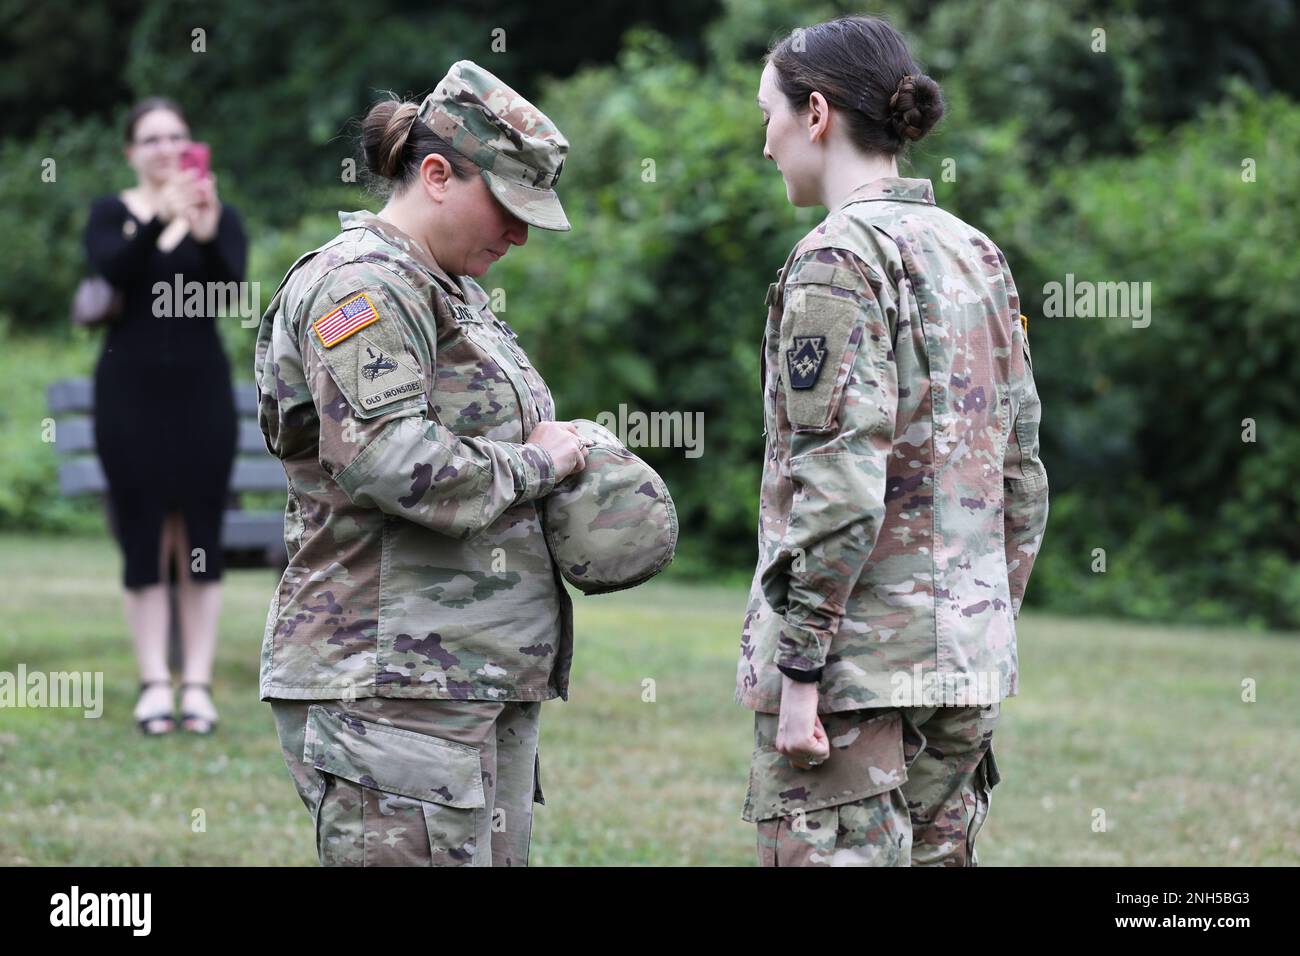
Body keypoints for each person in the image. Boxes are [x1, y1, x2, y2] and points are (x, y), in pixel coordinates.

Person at [254, 60, 589, 867]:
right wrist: (537, 466)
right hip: (388, 681)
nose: (517, 234)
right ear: (435, 173)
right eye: (507, 208)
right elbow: (390, 459)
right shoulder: (360, 287)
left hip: (461, 677)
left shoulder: (444, 288)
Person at [736, 15, 1050, 866]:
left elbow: (838, 481)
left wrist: (800, 669)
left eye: (767, 113)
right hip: (965, 670)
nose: (763, 143)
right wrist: (985, 622)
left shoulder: (836, 260)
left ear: (816, 115)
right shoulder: (976, 253)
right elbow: (1021, 472)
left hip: (854, 682)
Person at [84, 97, 246, 736]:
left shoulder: (218, 216)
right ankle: (154, 681)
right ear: (131, 150)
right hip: (128, 395)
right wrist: (158, 220)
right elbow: (114, 272)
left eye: (176, 135)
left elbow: (233, 291)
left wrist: (203, 232)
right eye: (151, 139)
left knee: (201, 530)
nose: (165, 147)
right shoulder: (112, 214)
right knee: (143, 529)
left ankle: (198, 684)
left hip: (201, 393)